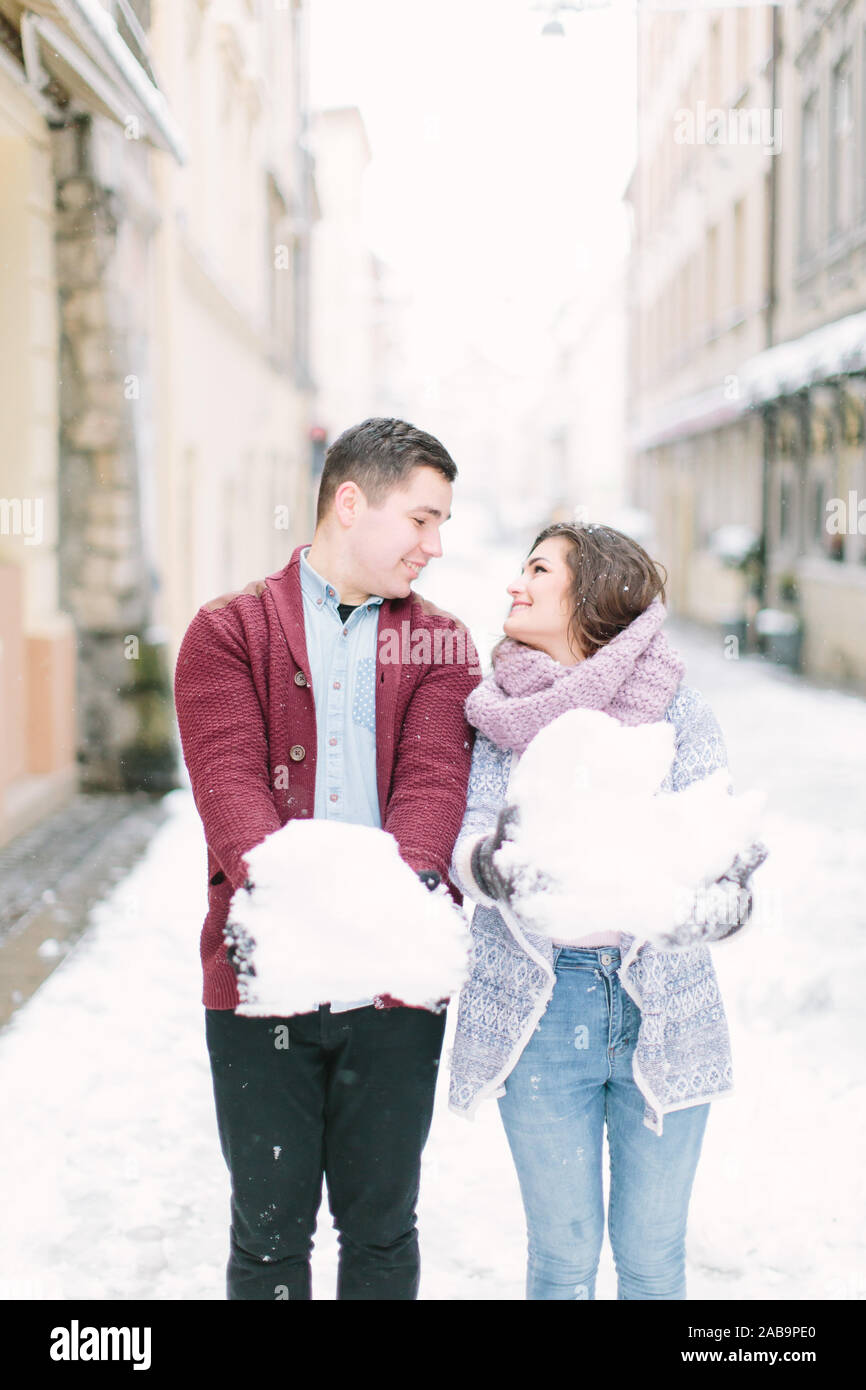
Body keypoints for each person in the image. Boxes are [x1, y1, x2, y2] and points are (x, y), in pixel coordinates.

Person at [174, 417, 480, 1300]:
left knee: (382, 1235)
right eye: (422, 520)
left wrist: (382, 915)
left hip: (394, 989)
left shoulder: (441, 644)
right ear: (351, 503)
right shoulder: (228, 633)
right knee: (269, 1239)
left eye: (442, 525)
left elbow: (431, 796)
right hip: (264, 983)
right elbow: (236, 809)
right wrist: (321, 911)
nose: (434, 545)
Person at [448, 520, 768, 1301]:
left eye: (537, 570)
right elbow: (468, 841)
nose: (515, 585)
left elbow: (718, 842)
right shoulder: (502, 714)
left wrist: (719, 898)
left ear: (590, 594)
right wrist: (493, 865)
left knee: (653, 1260)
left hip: (665, 1009)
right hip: (541, 1008)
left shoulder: (677, 712)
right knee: (562, 1261)